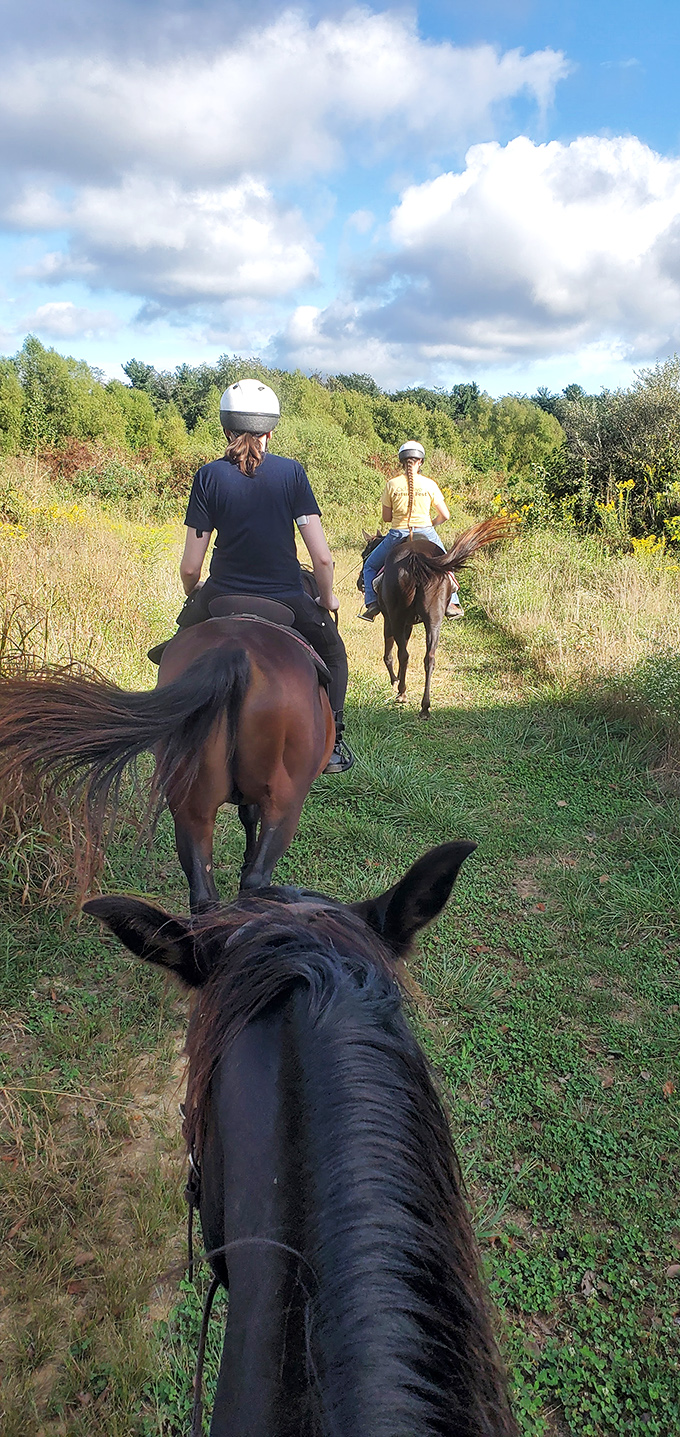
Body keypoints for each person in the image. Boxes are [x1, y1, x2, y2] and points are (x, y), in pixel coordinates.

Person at [176, 378, 354, 774]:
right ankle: (336, 740)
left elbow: (191, 566)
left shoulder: (207, 476)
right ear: (270, 430)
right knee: (335, 656)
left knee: (173, 653)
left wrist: (196, 591)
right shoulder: (292, 474)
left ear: (225, 429)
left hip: (220, 595)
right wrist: (327, 600)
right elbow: (322, 559)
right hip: (286, 599)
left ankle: (171, 726)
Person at [361, 441, 463, 621]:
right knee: (447, 564)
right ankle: (452, 603)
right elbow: (445, 515)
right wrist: (431, 523)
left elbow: (386, 518)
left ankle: (371, 603)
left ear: (401, 461)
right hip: (426, 531)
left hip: (398, 533)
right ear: (420, 461)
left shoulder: (392, 484)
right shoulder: (430, 484)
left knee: (369, 565)